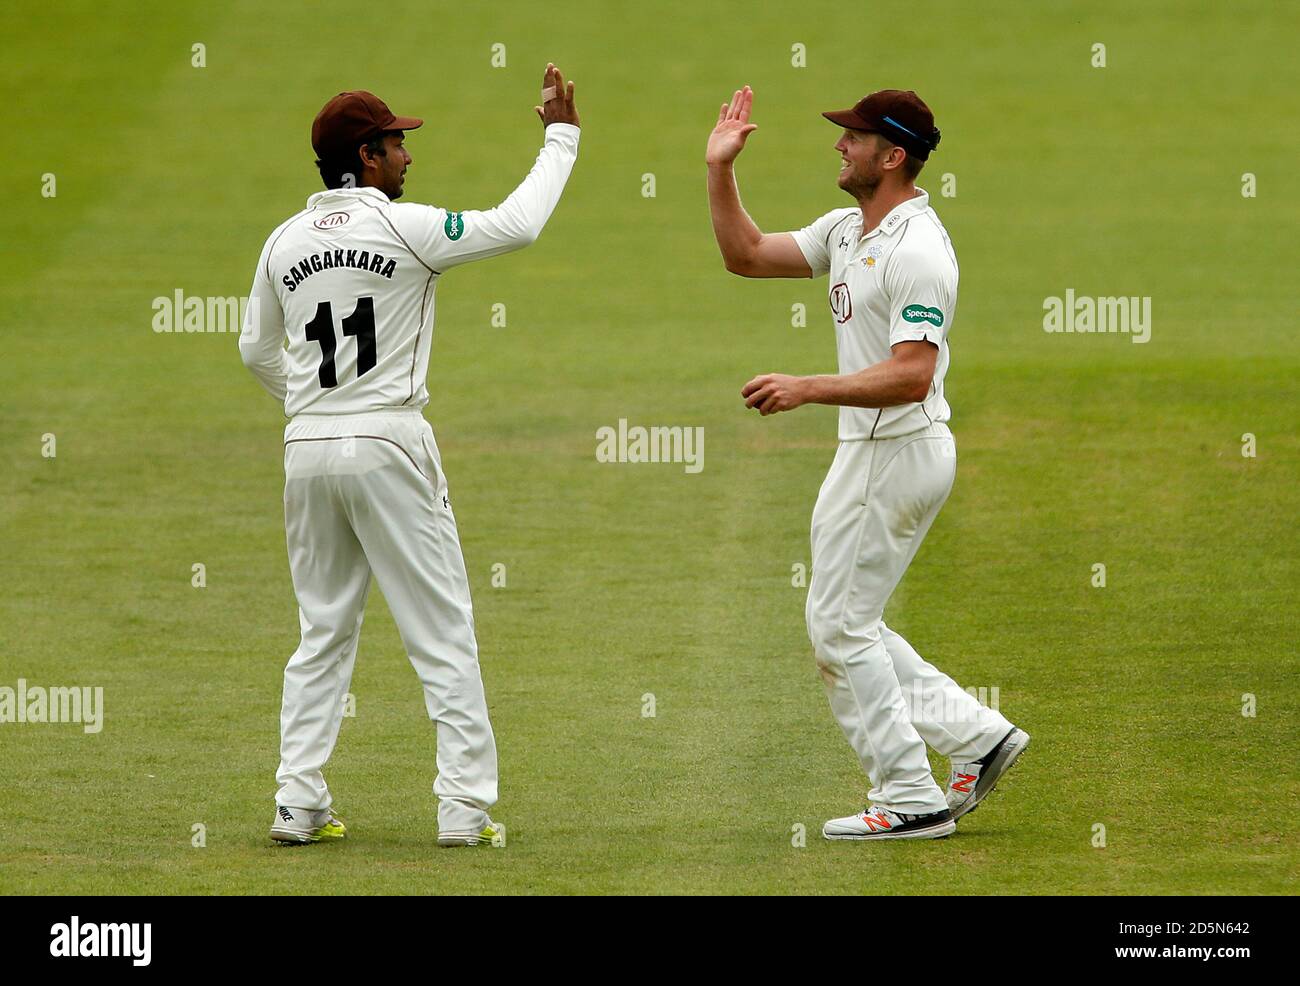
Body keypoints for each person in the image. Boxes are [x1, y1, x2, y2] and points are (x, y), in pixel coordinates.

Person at [239, 65, 581, 847]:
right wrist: (560, 137)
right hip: (389, 440)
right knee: (442, 628)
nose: (407, 156)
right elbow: (518, 224)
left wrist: (313, 405)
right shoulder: (405, 228)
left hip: (306, 447)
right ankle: (463, 809)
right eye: (397, 143)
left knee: (322, 630)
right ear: (366, 157)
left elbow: (254, 349)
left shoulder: (282, 242)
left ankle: (297, 802)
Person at [705, 85, 1028, 841]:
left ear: (892, 156)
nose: (839, 145)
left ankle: (909, 794)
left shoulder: (917, 250)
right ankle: (977, 736)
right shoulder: (849, 230)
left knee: (840, 629)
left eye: (853, 137)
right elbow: (746, 256)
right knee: (849, 622)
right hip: (872, 452)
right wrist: (720, 169)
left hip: (897, 450)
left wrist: (808, 387)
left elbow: (913, 373)